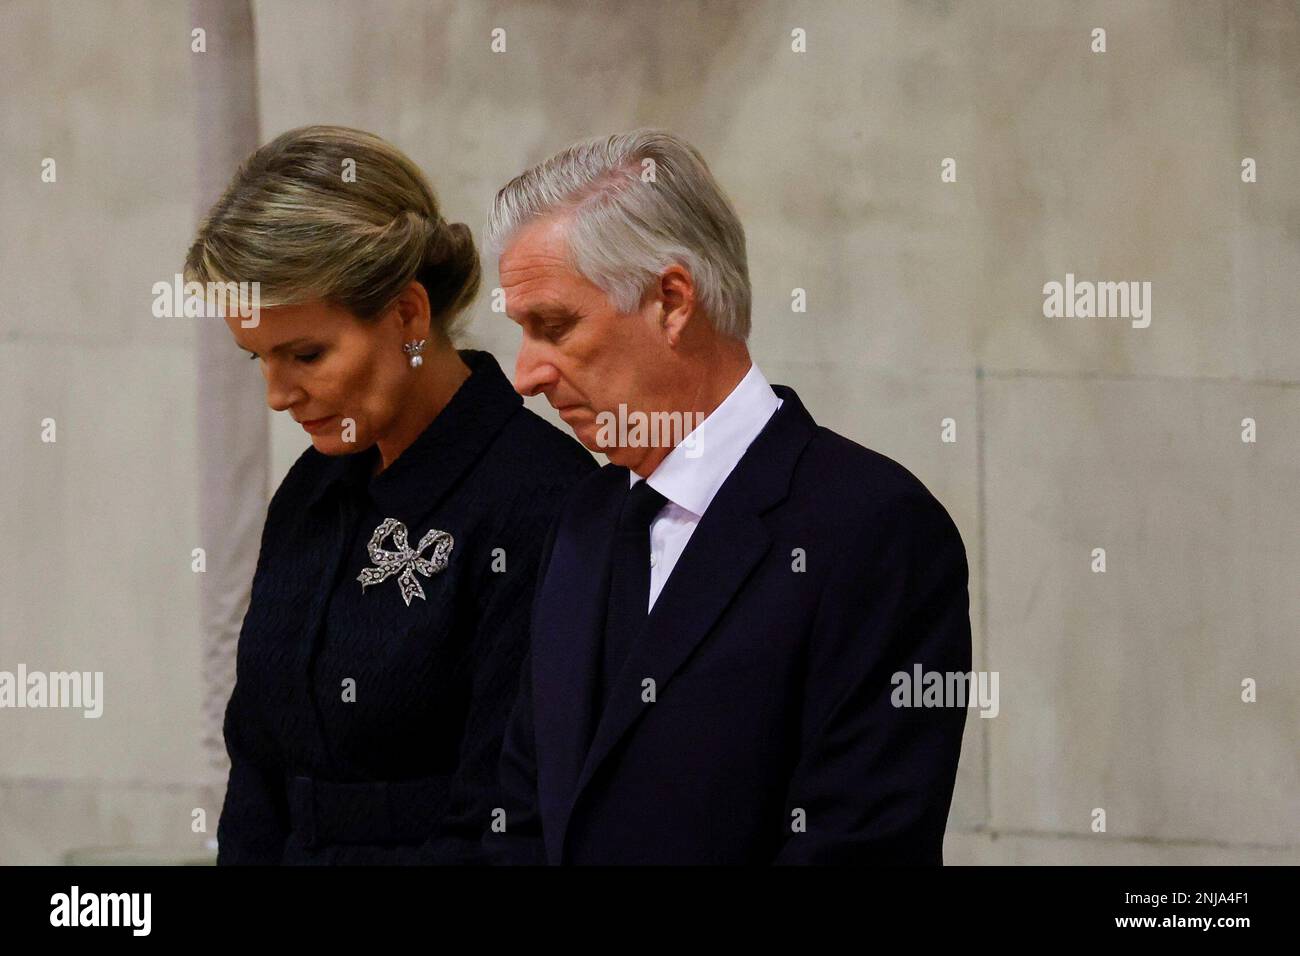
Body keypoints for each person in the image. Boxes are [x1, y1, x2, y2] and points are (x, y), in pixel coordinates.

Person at [484, 129, 971, 864]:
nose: (526, 374)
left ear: (672, 302)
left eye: (553, 326)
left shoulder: (873, 528)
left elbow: (860, 847)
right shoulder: (582, 518)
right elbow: (523, 811)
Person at [185, 125, 595, 863]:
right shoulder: (312, 488)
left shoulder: (545, 505)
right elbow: (257, 772)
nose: (277, 395)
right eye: (258, 360)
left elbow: (507, 820)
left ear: (408, 316)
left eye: (305, 354)